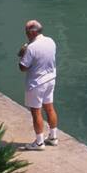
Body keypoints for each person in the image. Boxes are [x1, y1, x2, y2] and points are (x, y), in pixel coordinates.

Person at [18, 19, 58, 150]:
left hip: (37, 83)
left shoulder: (31, 48)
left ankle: (39, 142)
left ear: (32, 32)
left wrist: (22, 53)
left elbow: (23, 67)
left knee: (36, 112)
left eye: (26, 32)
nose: (25, 34)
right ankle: (53, 137)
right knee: (50, 108)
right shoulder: (51, 41)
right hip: (51, 79)